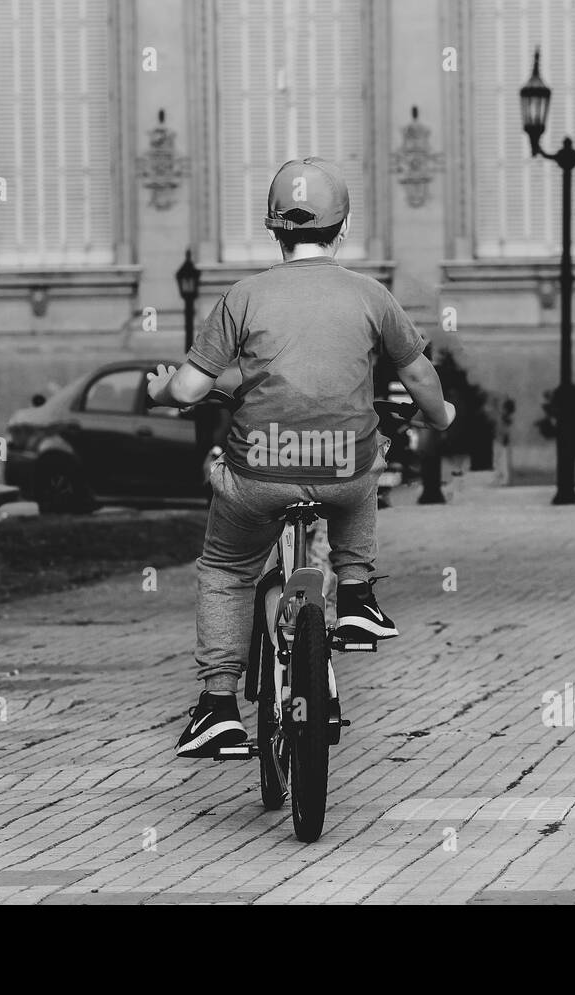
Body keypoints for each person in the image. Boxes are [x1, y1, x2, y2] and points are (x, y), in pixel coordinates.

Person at [146, 156, 455, 758]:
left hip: (259, 473)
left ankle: (217, 709)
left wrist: (163, 390)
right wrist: (442, 415)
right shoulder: (371, 295)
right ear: (344, 228)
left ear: (274, 230)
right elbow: (419, 374)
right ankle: (357, 596)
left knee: (227, 570)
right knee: (366, 463)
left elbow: (187, 388)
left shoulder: (244, 296)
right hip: (341, 470)